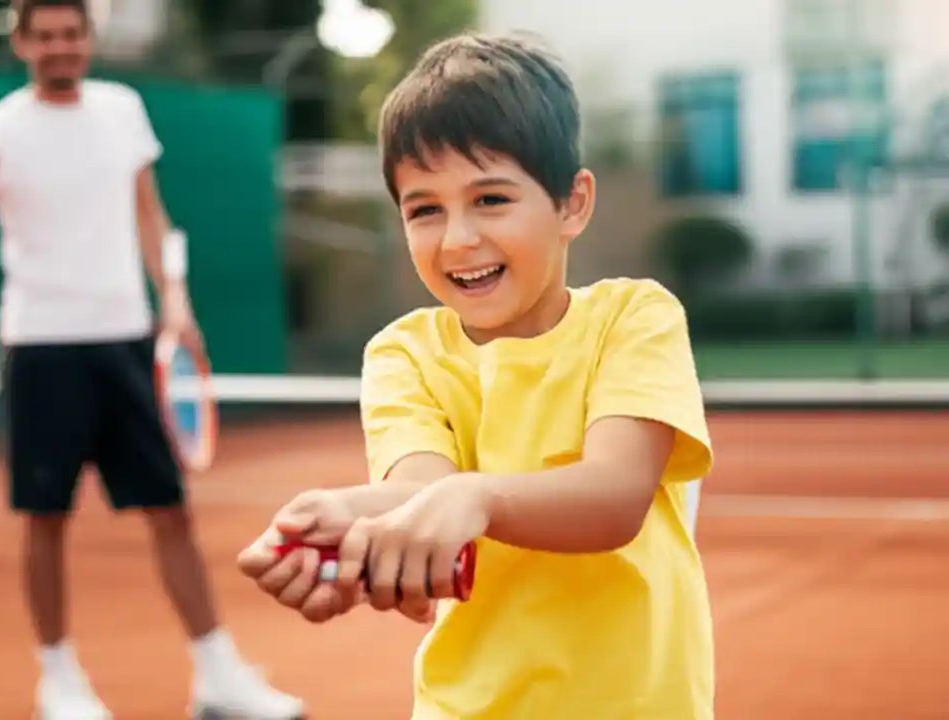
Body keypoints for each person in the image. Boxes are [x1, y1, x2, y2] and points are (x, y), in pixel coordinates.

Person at [238, 32, 716, 720]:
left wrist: (474, 499)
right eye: (424, 208)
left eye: (490, 199)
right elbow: (421, 493)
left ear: (572, 204)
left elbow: (615, 496)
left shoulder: (633, 319)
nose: (457, 237)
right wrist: (345, 522)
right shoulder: (403, 355)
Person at [0, 1, 304, 718]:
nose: (61, 47)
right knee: (46, 518)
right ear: (24, 43)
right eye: (47, 37)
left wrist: (177, 300)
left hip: (126, 340)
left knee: (171, 512)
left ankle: (217, 677)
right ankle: (59, 681)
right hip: (39, 348)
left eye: (72, 34)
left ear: (87, 40)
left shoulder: (122, 109)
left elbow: (151, 215)